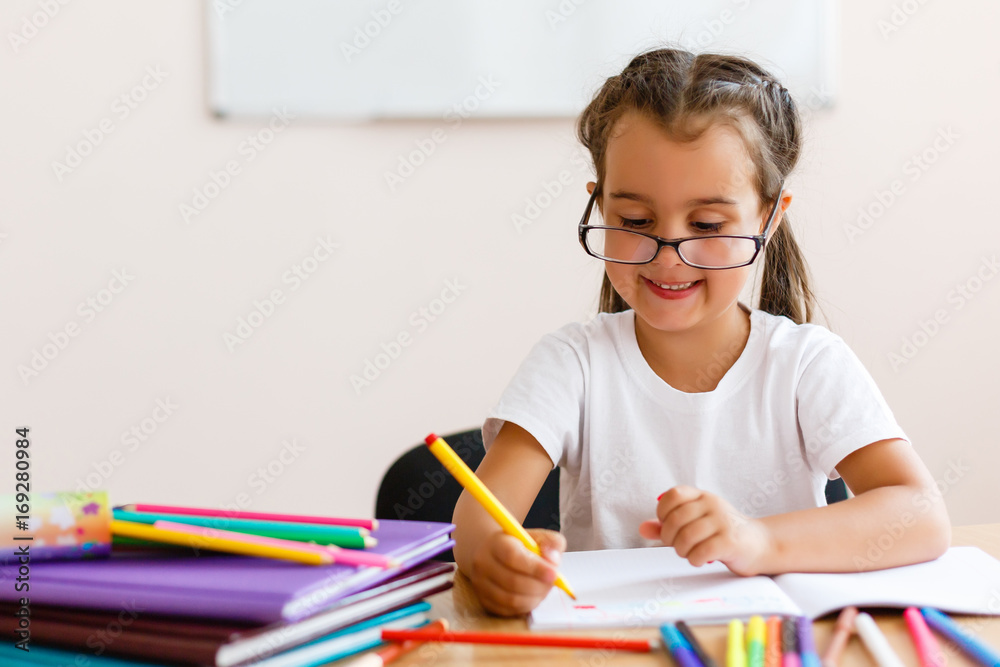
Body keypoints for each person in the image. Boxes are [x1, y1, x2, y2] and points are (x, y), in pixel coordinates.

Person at [452, 47, 951, 617]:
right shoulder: (573, 362)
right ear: (599, 204)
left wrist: (756, 540)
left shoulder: (806, 365)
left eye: (708, 224)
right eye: (636, 222)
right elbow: (477, 517)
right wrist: (495, 558)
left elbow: (918, 513)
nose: (668, 257)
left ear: (770, 217)